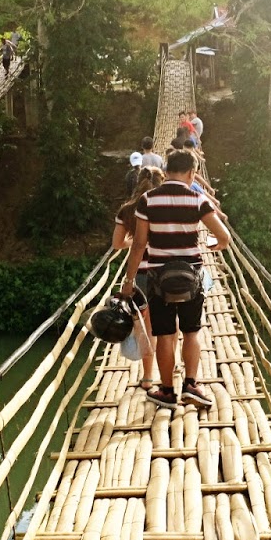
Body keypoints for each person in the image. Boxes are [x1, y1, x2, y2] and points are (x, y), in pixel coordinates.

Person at [120, 148, 232, 410]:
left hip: (159, 278)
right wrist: (214, 246)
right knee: (192, 332)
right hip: (191, 276)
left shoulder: (147, 200)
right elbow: (224, 236)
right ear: (192, 173)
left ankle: (168, 391)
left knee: (166, 334)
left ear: (167, 169)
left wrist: (128, 281)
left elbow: (138, 244)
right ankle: (191, 385)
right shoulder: (197, 198)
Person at [112, 166, 165, 390]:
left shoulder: (126, 210)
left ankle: (147, 377)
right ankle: (170, 369)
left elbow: (117, 244)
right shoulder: (164, 208)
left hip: (140, 274)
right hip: (163, 270)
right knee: (166, 325)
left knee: (146, 327)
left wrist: (132, 244)